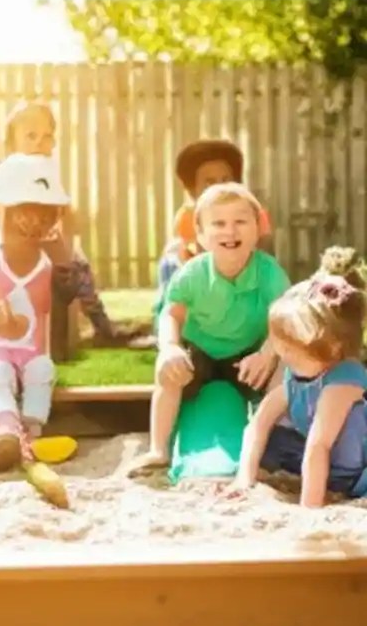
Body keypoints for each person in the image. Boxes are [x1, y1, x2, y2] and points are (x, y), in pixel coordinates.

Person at [126, 182, 291, 473]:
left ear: (257, 229)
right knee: (168, 372)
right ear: (200, 236)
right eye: (219, 223)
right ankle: (158, 449)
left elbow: (286, 319)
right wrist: (170, 347)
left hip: (247, 355)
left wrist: (266, 353)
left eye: (241, 221)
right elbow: (171, 315)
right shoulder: (192, 274)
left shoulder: (268, 272)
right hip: (199, 354)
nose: (231, 231)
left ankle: (273, 442)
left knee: (283, 366)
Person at [231, 247, 367, 508]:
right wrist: (243, 479)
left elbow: (319, 446)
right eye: (280, 344)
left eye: (291, 347)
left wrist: (309, 510)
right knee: (269, 440)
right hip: (328, 465)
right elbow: (258, 424)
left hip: (357, 470)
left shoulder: (343, 379)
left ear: (333, 347)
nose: (281, 353)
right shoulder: (297, 375)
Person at [0, 100, 135, 347]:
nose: (40, 143)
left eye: (47, 136)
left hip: (49, 243)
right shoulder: (10, 173)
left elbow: (65, 213)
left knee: (78, 265)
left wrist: (67, 250)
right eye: (31, 136)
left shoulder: (48, 172)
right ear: (12, 145)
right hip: (17, 246)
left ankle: (99, 323)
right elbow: (0, 216)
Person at [0, 153, 64, 472]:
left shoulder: (45, 268)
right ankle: (5, 431)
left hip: (30, 350)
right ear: (0, 212)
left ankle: (32, 432)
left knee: (41, 369)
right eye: (25, 215)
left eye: (44, 216)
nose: (34, 224)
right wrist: (1, 321)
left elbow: (45, 319)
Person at [158, 138, 274, 291]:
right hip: (202, 284)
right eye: (209, 183)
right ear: (192, 190)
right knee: (171, 255)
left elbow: (263, 257)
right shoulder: (188, 216)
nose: (219, 188)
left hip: (246, 281)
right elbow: (192, 257)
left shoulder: (255, 213)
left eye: (226, 180)